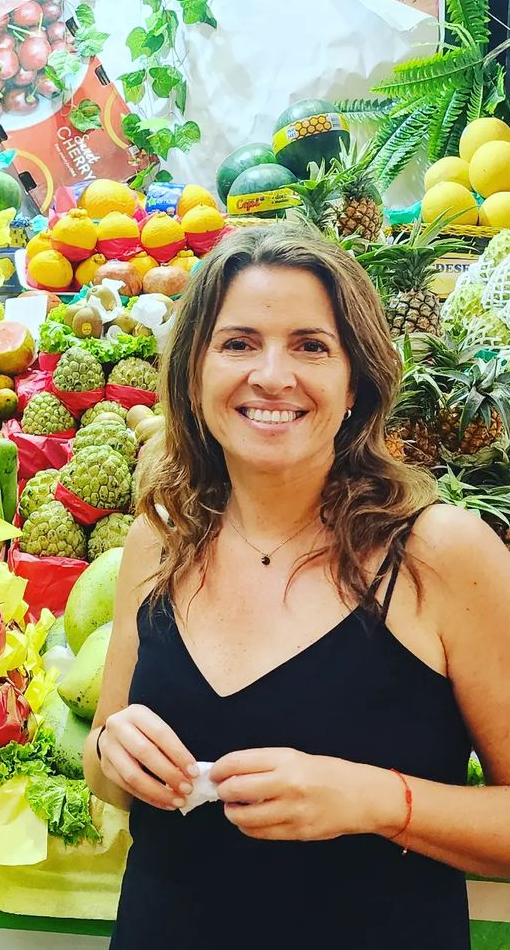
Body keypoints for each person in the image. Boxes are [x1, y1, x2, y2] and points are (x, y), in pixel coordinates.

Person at [83, 225, 510, 949]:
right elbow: (106, 761)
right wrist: (112, 756)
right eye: (239, 343)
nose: (272, 375)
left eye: (311, 346)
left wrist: (378, 800)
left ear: (356, 384)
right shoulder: (158, 543)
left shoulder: (440, 553)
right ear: (194, 375)